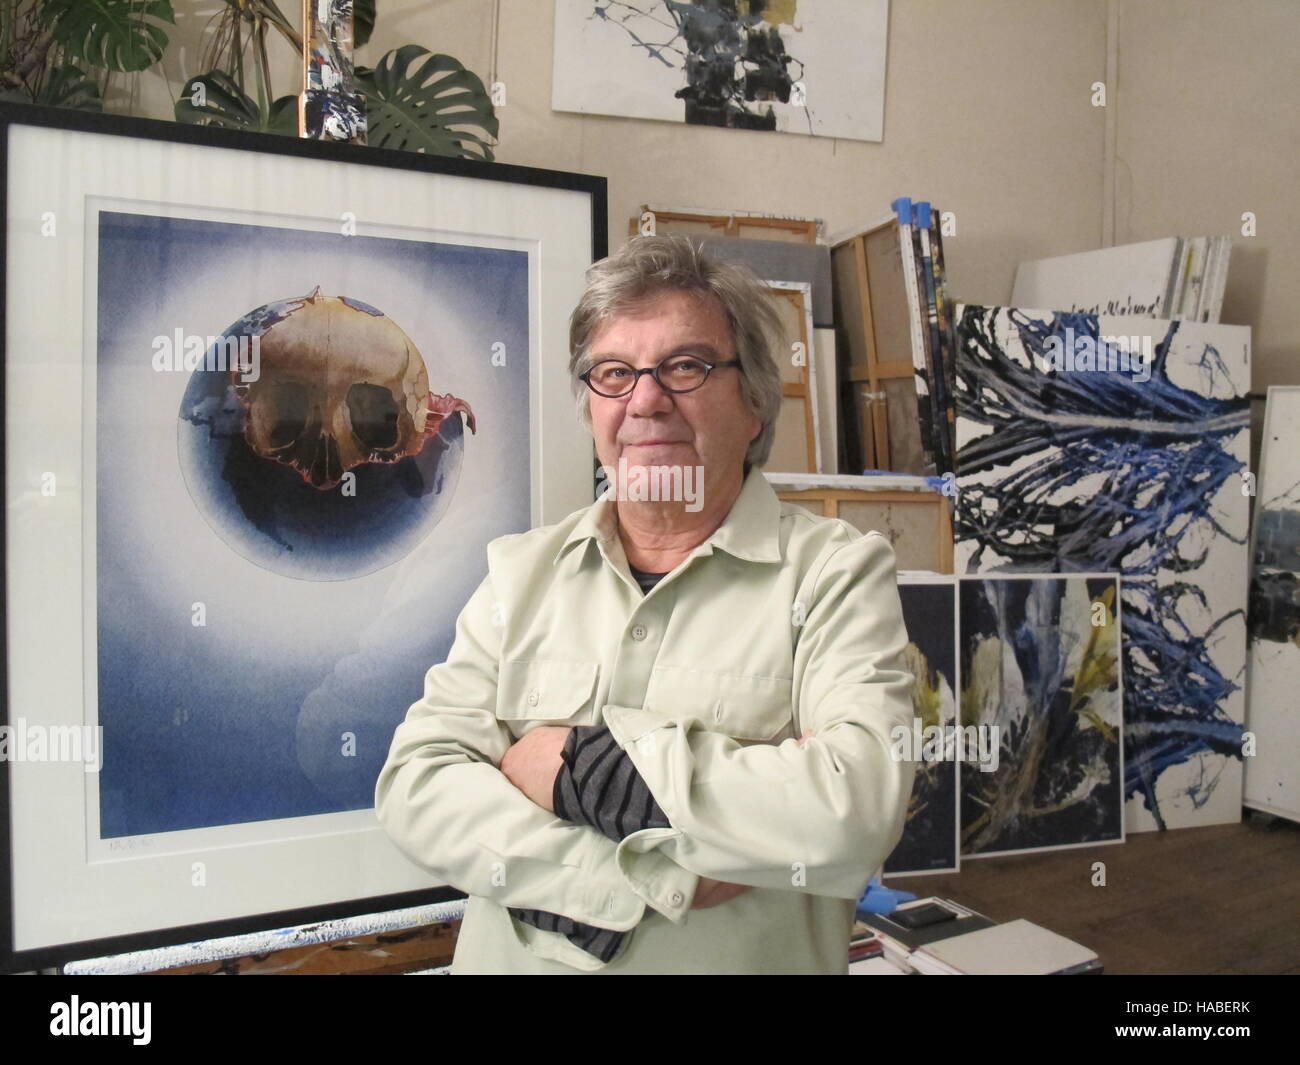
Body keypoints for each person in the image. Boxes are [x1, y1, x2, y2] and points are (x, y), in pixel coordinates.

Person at [374, 234, 917, 973]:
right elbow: (417, 784)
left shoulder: (834, 576)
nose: (646, 399)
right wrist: (647, 873)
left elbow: (858, 804)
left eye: (686, 366)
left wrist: (572, 766)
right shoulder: (519, 573)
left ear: (755, 401)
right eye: (614, 373)